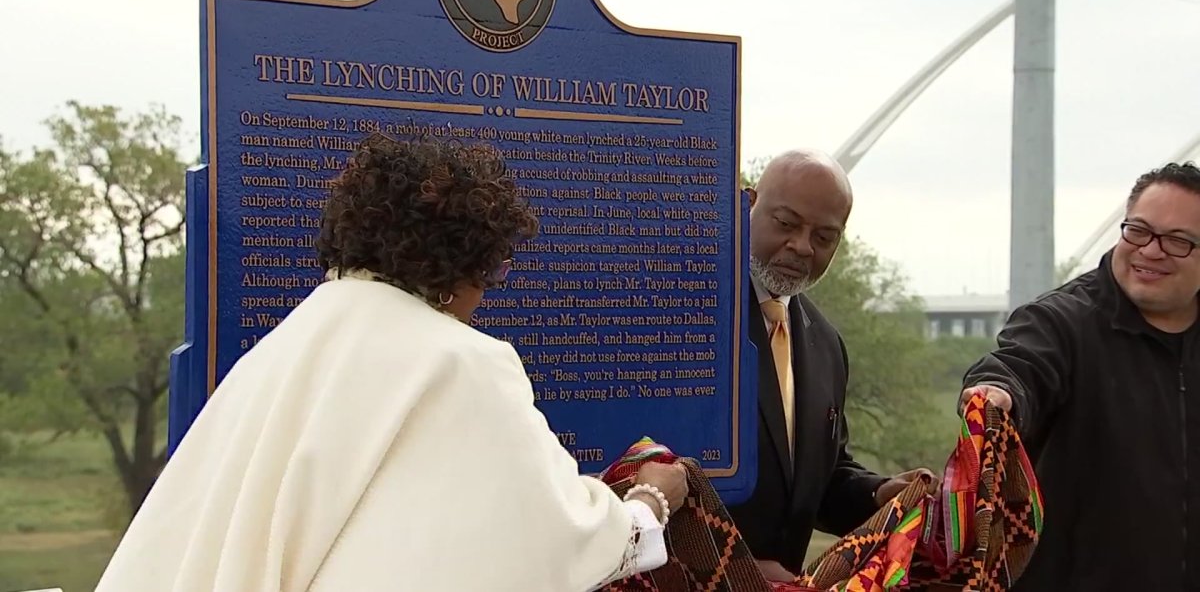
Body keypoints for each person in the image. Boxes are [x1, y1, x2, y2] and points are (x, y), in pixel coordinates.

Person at [95, 132, 689, 592]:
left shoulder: (289, 343)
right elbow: (553, 539)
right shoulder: (462, 362)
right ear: (465, 263)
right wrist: (650, 502)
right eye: (494, 269)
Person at [960, 161, 1200, 591]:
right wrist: (998, 392)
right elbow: (1019, 365)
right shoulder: (1061, 323)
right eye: (1139, 230)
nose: (1150, 250)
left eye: (1178, 241)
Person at [728, 149, 933, 580]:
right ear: (747, 204)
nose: (801, 246)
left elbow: (819, 483)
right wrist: (734, 569)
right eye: (786, 224)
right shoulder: (683, 323)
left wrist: (879, 495)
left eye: (823, 237)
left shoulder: (826, 344)